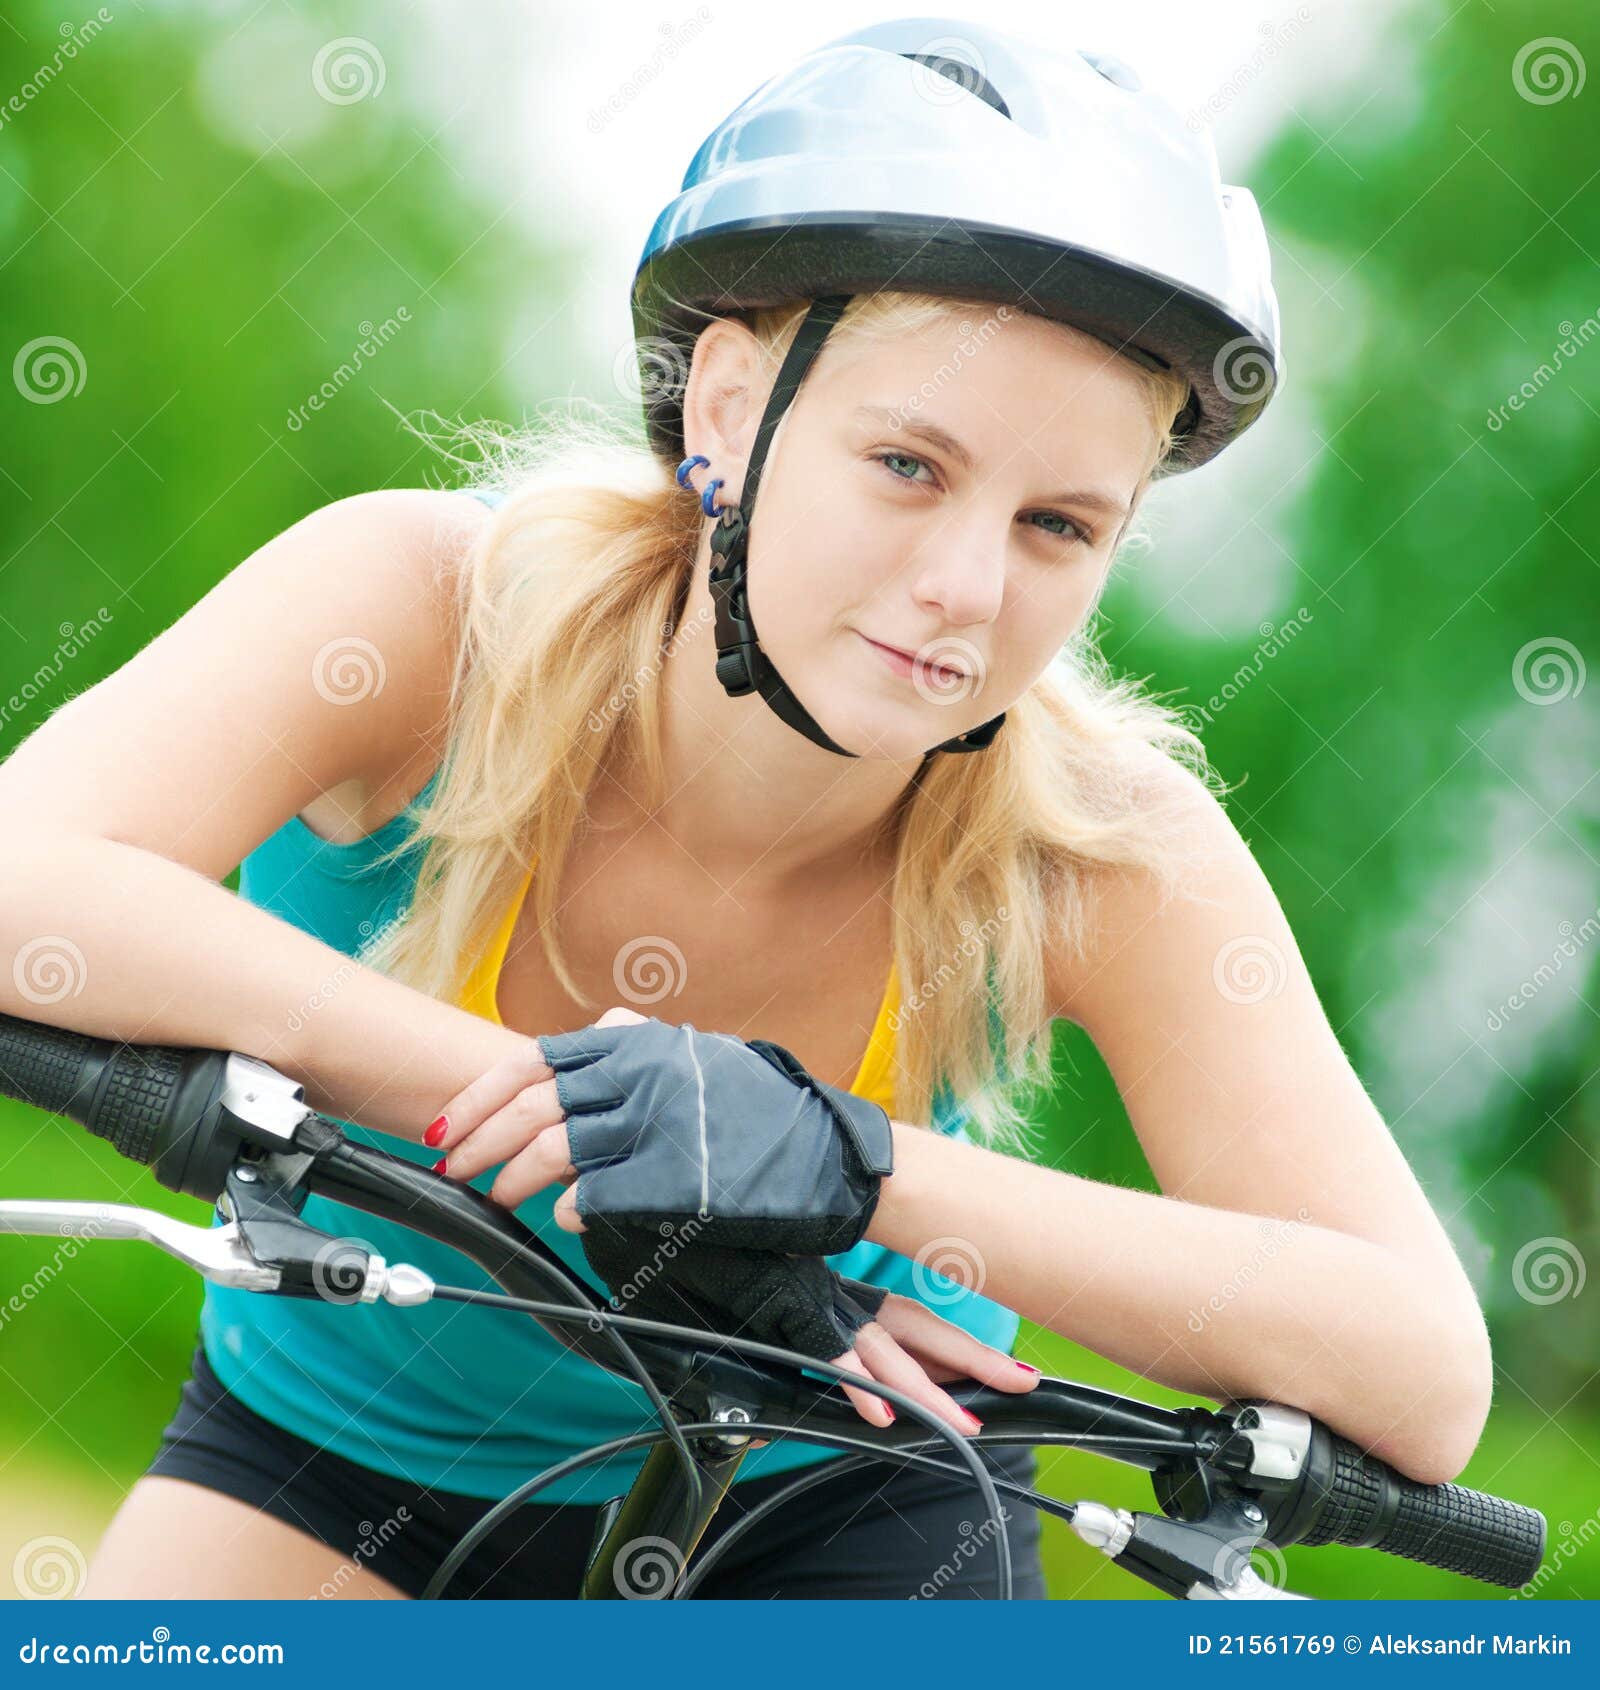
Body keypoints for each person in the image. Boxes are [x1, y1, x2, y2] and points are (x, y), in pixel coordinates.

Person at [5, 17, 1484, 1601]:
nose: (967, 588)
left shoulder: (1102, 839)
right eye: (909, 464)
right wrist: (613, 1115)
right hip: (335, 1454)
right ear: (726, 410)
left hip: (848, 1498)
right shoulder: (427, 612)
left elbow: (1421, 1374)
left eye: (1060, 524)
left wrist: (850, 1162)